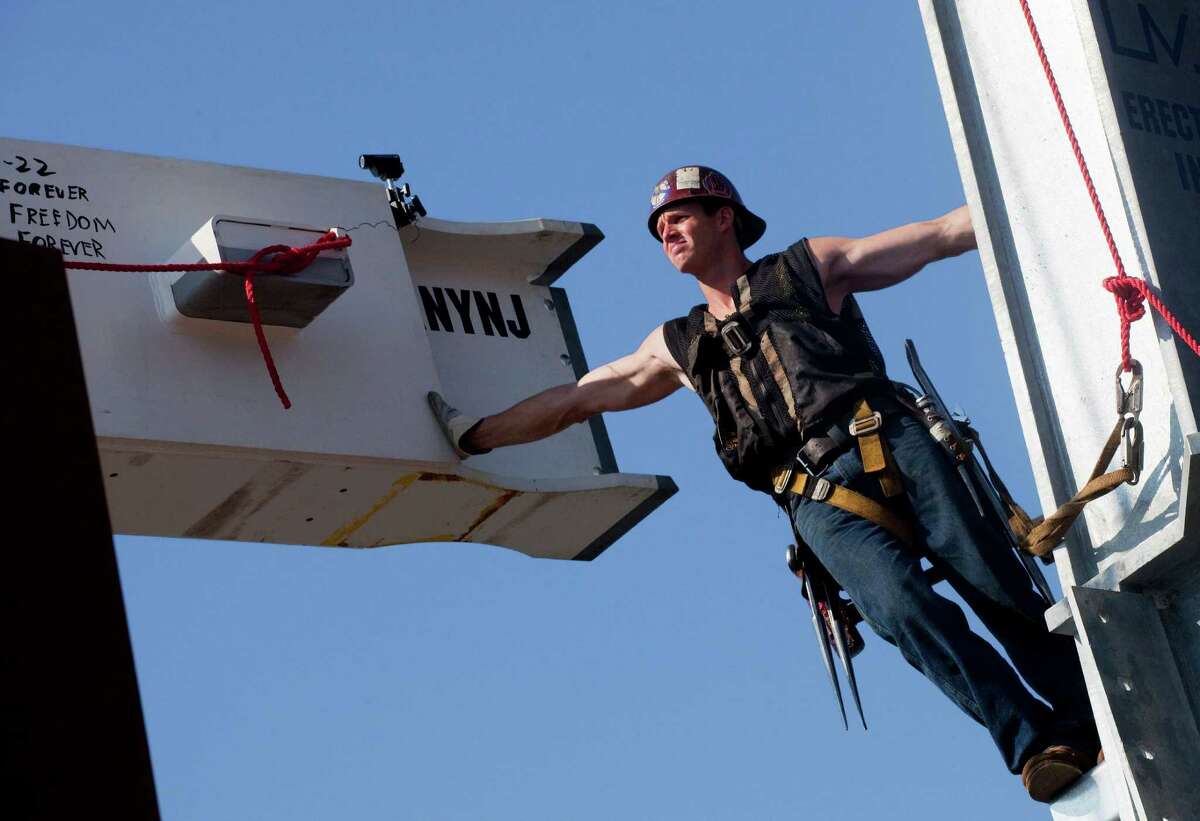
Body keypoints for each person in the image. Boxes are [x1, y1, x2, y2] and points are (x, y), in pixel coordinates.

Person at [427, 165, 1100, 802]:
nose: (666, 232)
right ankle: (1033, 743)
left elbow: (937, 236)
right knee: (902, 611)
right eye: (659, 227)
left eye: (678, 216)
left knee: (992, 579)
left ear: (725, 218)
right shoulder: (678, 344)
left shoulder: (812, 267)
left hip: (889, 442)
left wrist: (1034, 178)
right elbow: (580, 397)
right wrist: (477, 434)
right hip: (814, 497)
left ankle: (1086, 711)